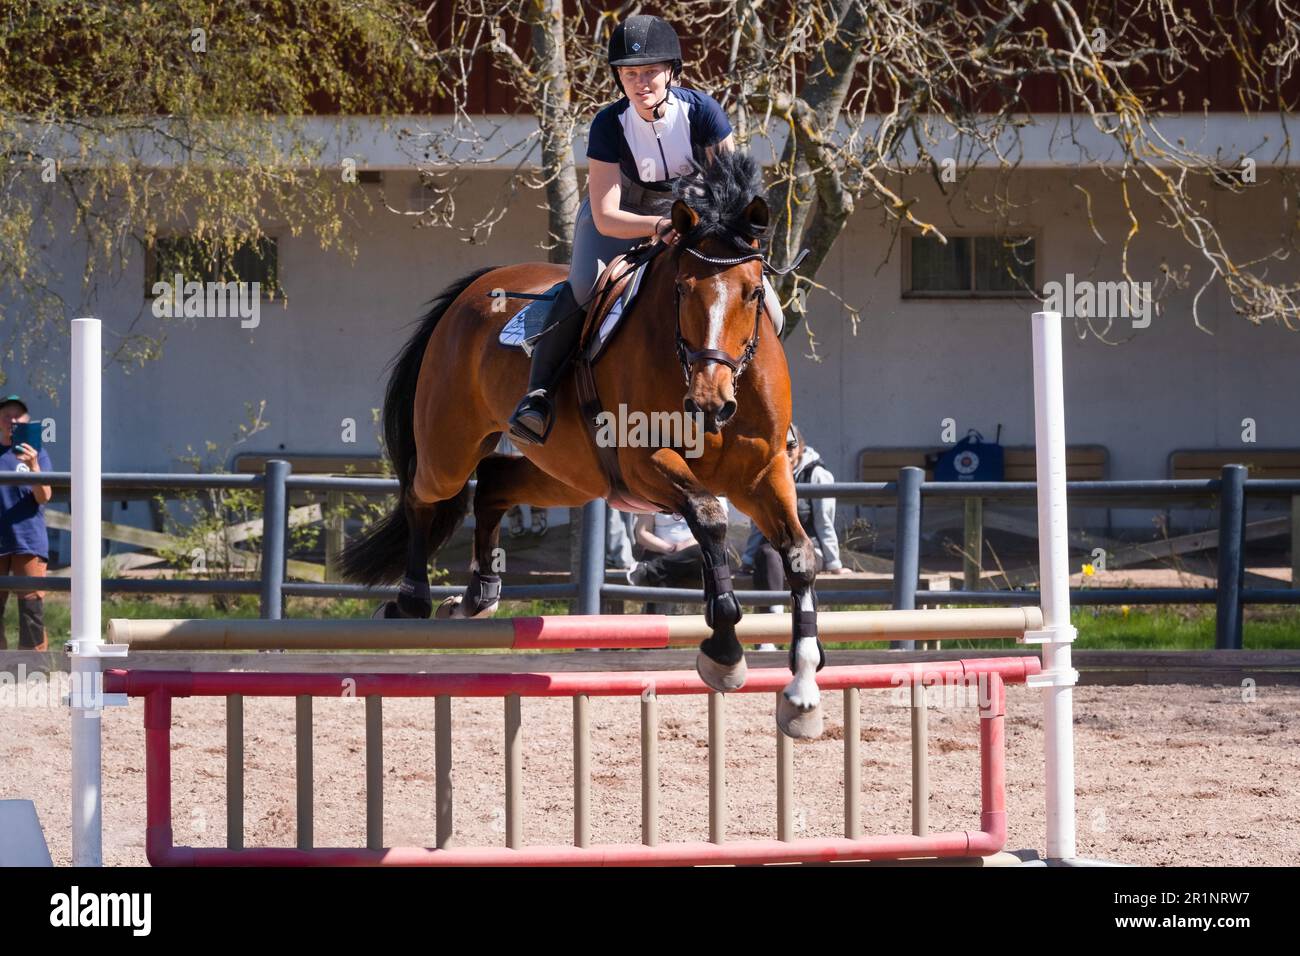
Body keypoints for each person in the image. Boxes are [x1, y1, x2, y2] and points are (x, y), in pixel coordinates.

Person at [507, 13, 783, 446]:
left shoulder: (703, 113)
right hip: (624, 215)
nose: (640, 83)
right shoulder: (608, 124)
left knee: (771, 310)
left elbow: (734, 197)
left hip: (692, 218)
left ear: (671, 71)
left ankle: (767, 412)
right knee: (584, 286)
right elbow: (606, 215)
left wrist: (710, 232)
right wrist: (657, 225)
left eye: (650, 71)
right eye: (629, 73)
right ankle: (538, 396)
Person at [742, 424, 849, 615]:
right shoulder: (766, 475)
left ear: (801, 446)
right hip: (775, 551)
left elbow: (824, 522)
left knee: (797, 554)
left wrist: (834, 564)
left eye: (792, 445)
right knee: (766, 554)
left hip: (808, 548)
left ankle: (801, 618)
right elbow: (759, 524)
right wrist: (747, 560)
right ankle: (774, 619)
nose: (788, 450)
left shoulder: (815, 475)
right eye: (782, 446)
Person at [0, 395, 53, 650]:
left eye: (18, 416)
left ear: (27, 421)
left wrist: (33, 466)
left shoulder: (38, 453)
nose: (12, 420)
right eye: (6, 415)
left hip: (28, 538)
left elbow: (44, 496)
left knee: (31, 607)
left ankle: (34, 666)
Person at [627, 498, 731, 613]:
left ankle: (649, 570)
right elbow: (642, 533)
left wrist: (685, 546)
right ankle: (655, 572)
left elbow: (717, 531)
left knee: (703, 551)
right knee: (664, 576)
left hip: (696, 555)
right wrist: (669, 548)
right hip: (660, 552)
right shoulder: (652, 494)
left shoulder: (714, 494)